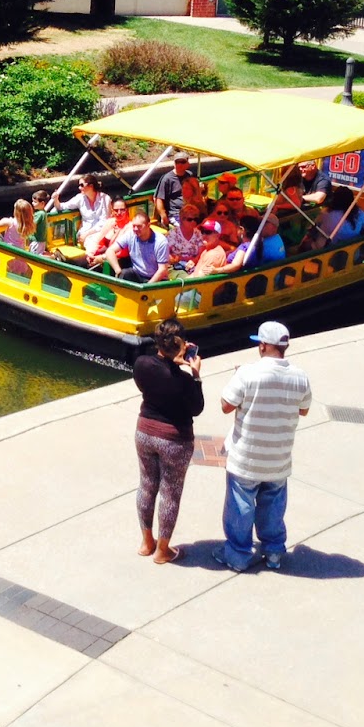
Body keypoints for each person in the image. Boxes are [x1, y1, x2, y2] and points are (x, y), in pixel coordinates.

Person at [216, 321, 312, 571]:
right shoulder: (300, 377)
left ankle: (237, 555)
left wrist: (237, 377)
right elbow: (304, 409)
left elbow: (226, 405)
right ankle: (273, 553)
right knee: (273, 510)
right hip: (278, 458)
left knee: (241, 508)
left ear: (264, 345)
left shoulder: (247, 373)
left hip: (246, 458)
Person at [132, 318, 204, 564]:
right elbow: (196, 408)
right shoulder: (183, 380)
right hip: (174, 439)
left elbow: (157, 376)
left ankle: (146, 542)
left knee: (147, 485)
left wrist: (173, 363)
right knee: (170, 494)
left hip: (145, 431)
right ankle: (163, 550)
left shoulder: (141, 364)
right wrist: (195, 374)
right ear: (181, 346)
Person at [106, 209, 171, 284]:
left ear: (148, 225)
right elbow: (110, 251)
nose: (136, 229)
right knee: (124, 274)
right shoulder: (130, 235)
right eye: (134, 226)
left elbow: (163, 269)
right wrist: (117, 270)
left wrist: (147, 286)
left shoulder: (160, 241)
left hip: (157, 279)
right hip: (138, 274)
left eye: (139, 226)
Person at [53, 173, 112, 242]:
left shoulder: (105, 199)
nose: (79, 188)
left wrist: (88, 233)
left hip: (101, 231)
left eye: (82, 185)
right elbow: (61, 207)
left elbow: (104, 221)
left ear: (91, 186)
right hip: (85, 233)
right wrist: (56, 199)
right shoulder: (79, 198)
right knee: (92, 242)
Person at [153, 152, 195, 228]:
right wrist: (163, 216)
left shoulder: (190, 175)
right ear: (174, 163)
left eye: (182, 162)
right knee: (186, 227)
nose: (180, 164)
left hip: (191, 211)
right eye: (177, 162)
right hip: (175, 214)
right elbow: (158, 198)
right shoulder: (167, 179)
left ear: (187, 164)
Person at [165, 207, 204, 272]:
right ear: (182, 219)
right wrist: (173, 259)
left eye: (195, 219)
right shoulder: (173, 234)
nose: (193, 222)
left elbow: (201, 253)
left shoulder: (198, 233)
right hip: (176, 267)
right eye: (190, 219)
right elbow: (165, 252)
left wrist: (193, 261)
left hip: (194, 265)